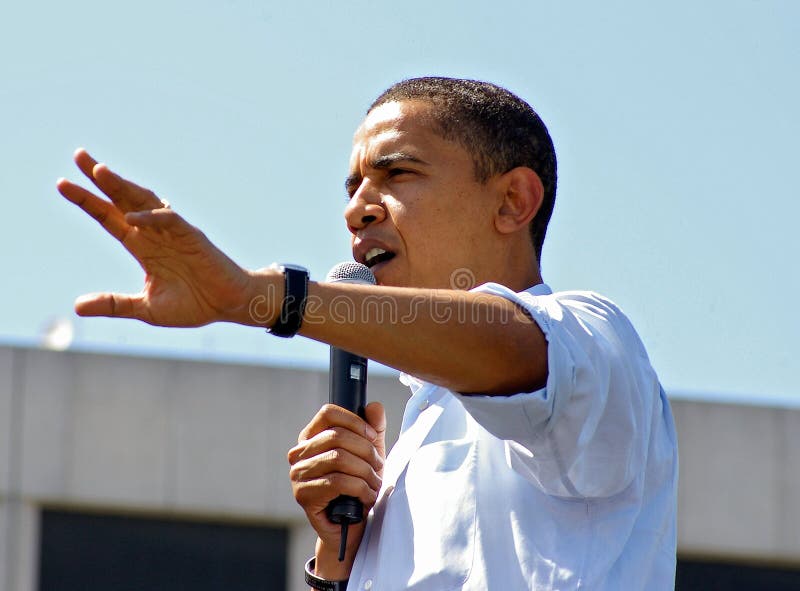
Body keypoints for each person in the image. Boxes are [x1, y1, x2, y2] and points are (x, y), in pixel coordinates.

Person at [56, 77, 678, 590]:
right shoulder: (414, 434)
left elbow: (511, 346)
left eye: (398, 174)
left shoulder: (596, 339)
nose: (358, 208)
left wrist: (265, 298)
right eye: (352, 188)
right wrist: (337, 563)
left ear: (514, 201)